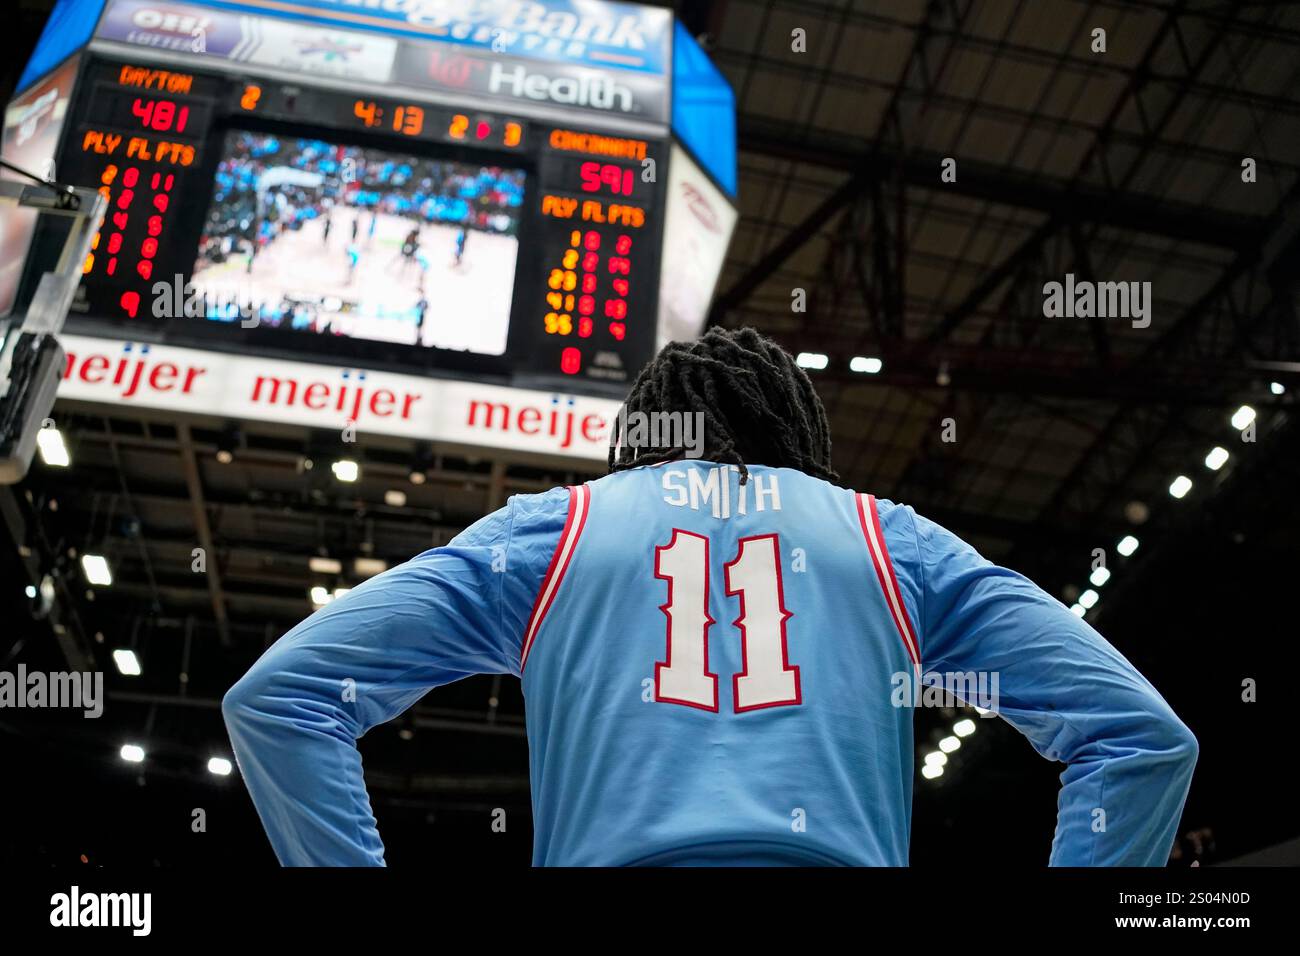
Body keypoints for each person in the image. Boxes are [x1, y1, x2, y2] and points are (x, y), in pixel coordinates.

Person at [222, 326, 1197, 866]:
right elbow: (1141, 736)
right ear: (800, 439)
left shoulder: (551, 530)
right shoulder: (892, 540)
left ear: (640, 436)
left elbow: (280, 698)